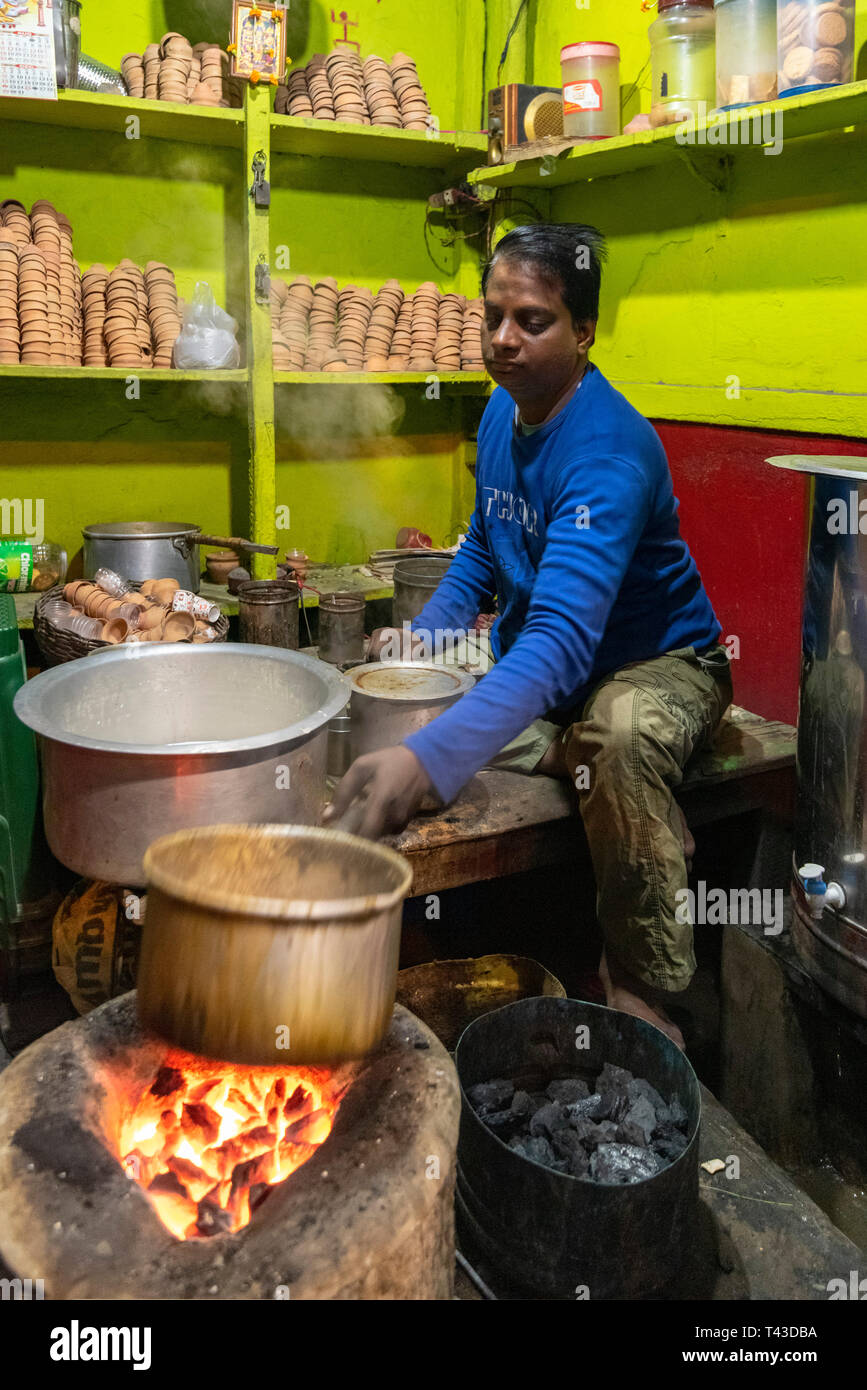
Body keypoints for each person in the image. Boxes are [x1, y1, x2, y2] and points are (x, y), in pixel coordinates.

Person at [324, 223, 732, 1048]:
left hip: (660, 665)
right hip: (554, 665)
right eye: (492, 317)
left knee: (614, 737)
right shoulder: (502, 414)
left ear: (583, 332)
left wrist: (428, 759)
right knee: (428, 709)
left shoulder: (608, 453)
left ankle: (648, 986)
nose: (502, 341)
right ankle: (612, 784)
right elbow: (482, 545)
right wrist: (420, 646)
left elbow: (557, 644)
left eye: (532, 320)